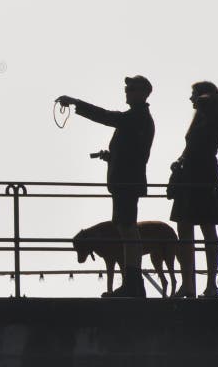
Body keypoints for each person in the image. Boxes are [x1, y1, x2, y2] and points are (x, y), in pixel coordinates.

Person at [57, 75, 155, 297]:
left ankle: (133, 285)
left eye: (131, 89)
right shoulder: (138, 118)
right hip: (126, 182)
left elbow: (106, 117)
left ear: (142, 93)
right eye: (127, 88)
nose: (127, 92)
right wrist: (112, 158)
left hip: (126, 183)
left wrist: (76, 103)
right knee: (125, 230)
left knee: (128, 231)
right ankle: (133, 284)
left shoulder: (137, 117)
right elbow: (133, 153)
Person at [169, 81, 218, 299]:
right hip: (190, 177)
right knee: (184, 230)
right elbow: (188, 149)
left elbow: (203, 146)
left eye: (193, 95)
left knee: (207, 230)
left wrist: (205, 99)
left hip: (204, 177)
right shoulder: (200, 121)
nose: (191, 99)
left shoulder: (214, 120)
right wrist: (178, 162)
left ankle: (211, 285)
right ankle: (188, 284)